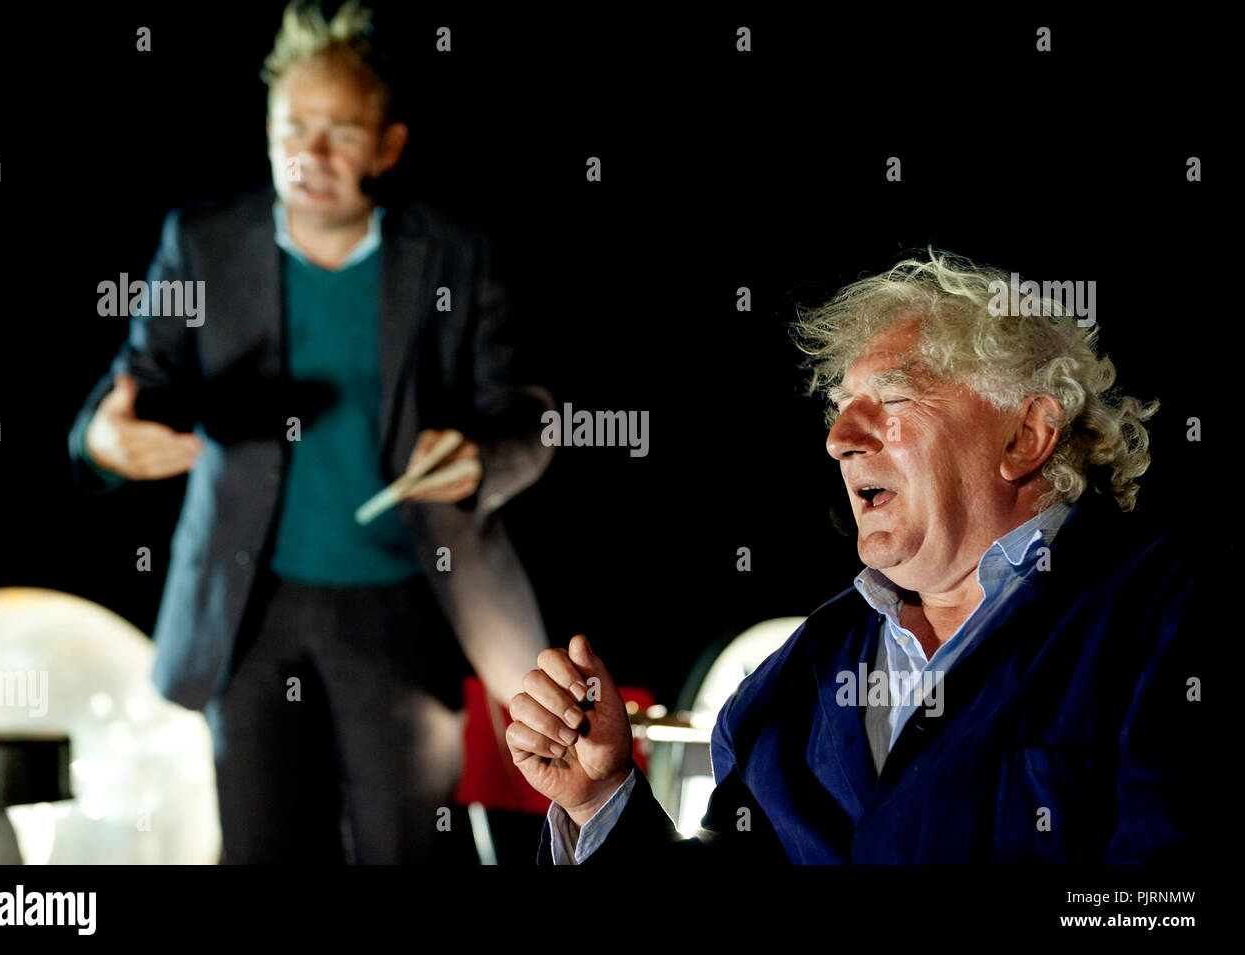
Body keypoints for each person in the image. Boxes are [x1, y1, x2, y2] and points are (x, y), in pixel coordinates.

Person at [508, 250, 1210, 864]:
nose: (840, 437)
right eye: (840, 409)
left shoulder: (1175, 611)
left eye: (895, 398)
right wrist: (601, 797)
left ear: (1024, 435)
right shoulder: (791, 679)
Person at [68, 0, 554, 863]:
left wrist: (480, 456)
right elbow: (126, 395)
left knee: (406, 847)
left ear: (388, 145)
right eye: (295, 127)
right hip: (248, 608)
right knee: (259, 848)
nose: (313, 153)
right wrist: (106, 444)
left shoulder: (449, 253)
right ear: (266, 130)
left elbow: (528, 413)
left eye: (340, 131)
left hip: (407, 600)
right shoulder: (205, 243)